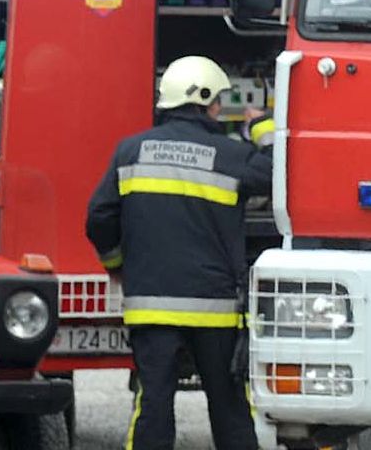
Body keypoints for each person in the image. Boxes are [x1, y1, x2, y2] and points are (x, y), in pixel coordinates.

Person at [86, 55, 274, 450]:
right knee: (229, 407)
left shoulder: (130, 152)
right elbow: (280, 172)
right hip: (215, 310)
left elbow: (99, 217)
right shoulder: (230, 155)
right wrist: (263, 126)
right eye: (218, 99)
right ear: (207, 101)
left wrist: (116, 264)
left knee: (153, 402)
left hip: (151, 306)